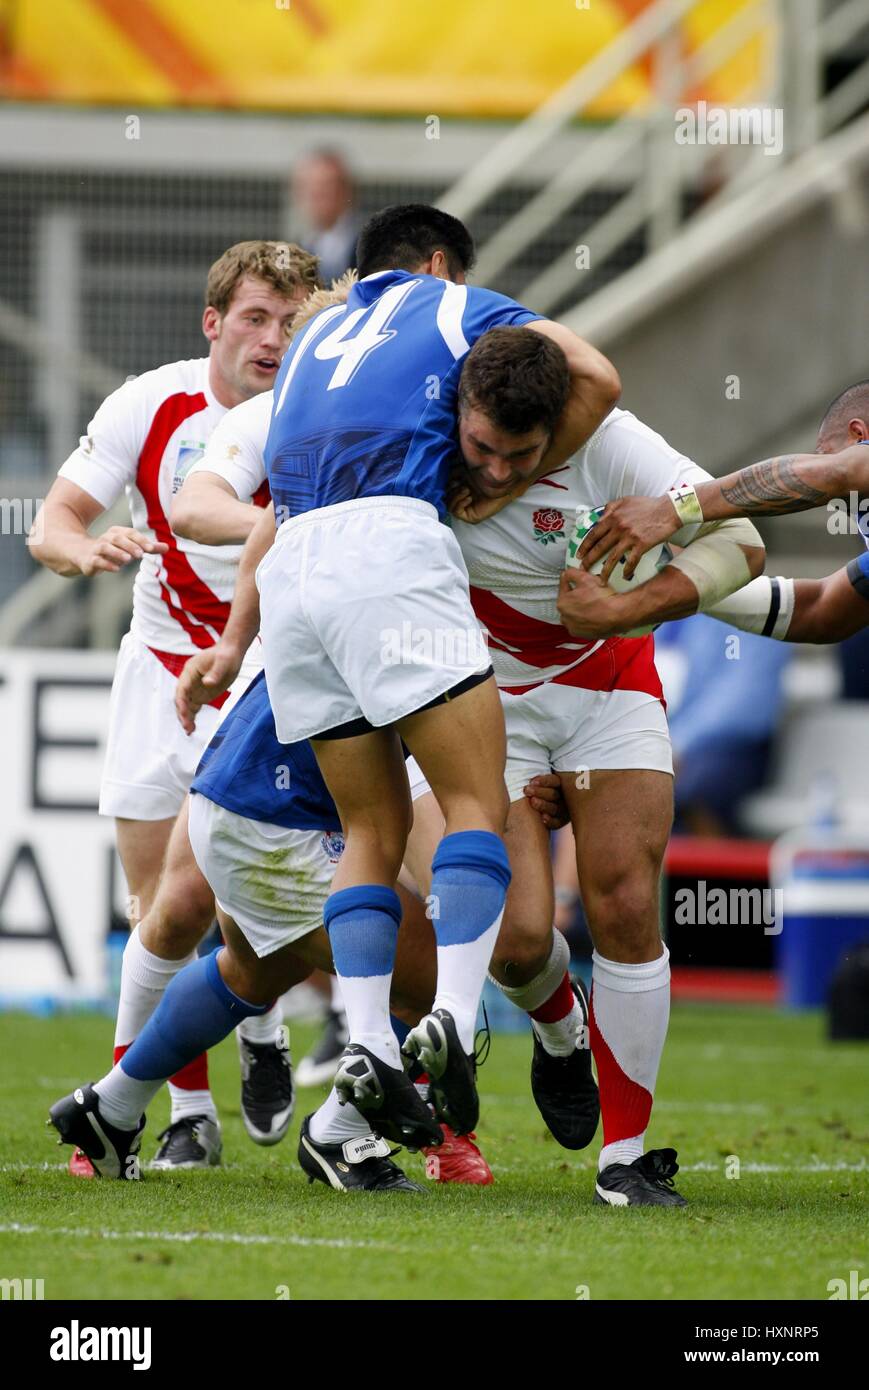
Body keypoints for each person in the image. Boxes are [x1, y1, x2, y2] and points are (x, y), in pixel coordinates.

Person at [175, 203, 621, 1148]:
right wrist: (506, 479)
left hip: (296, 569)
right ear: (434, 265)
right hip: (389, 549)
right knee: (473, 803)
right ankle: (455, 1017)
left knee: (367, 830)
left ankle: (370, 1041)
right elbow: (596, 374)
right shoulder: (455, 309)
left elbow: (262, 512)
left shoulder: (309, 337)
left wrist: (231, 636)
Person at [29, 240, 320, 1172]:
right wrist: (88, 550)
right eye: (254, 319)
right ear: (213, 323)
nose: (272, 340)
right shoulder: (150, 402)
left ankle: (260, 1022)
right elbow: (50, 524)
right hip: (157, 670)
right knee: (156, 906)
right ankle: (186, 1115)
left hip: (266, 673)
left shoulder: (319, 413)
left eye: (289, 321)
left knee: (216, 900)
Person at [48, 669, 567, 1189]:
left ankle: (110, 1108)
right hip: (277, 820)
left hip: (247, 802)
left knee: (257, 972)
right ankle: (339, 1134)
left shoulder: (361, 602)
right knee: (438, 972)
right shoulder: (409, 618)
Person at [574, 379, 869, 648]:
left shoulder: (851, 466)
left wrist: (671, 508)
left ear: (859, 435)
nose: (833, 504)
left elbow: (837, 474)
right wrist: (667, 576)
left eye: (823, 454)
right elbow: (818, 611)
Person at [290, 150, 359, 285]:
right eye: (311, 187)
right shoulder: (292, 248)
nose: (318, 194)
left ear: (346, 191)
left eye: (327, 186)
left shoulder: (368, 245)